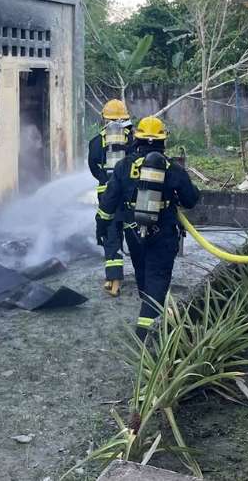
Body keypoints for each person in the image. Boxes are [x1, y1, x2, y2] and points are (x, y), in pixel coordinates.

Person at [98, 116, 200, 339]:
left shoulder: (123, 165)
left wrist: (101, 226)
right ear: (163, 140)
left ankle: (151, 320)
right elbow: (191, 199)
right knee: (158, 279)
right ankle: (146, 334)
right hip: (163, 234)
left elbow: (108, 202)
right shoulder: (171, 168)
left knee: (144, 277)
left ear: (137, 138)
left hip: (134, 232)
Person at [88, 99, 133, 296]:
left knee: (110, 233)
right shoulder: (133, 141)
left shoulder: (97, 142)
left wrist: (105, 181)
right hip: (128, 196)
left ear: (104, 119)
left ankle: (112, 280)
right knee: (133, 232)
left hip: (106, 196)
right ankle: (142, 276)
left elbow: (93, 167)